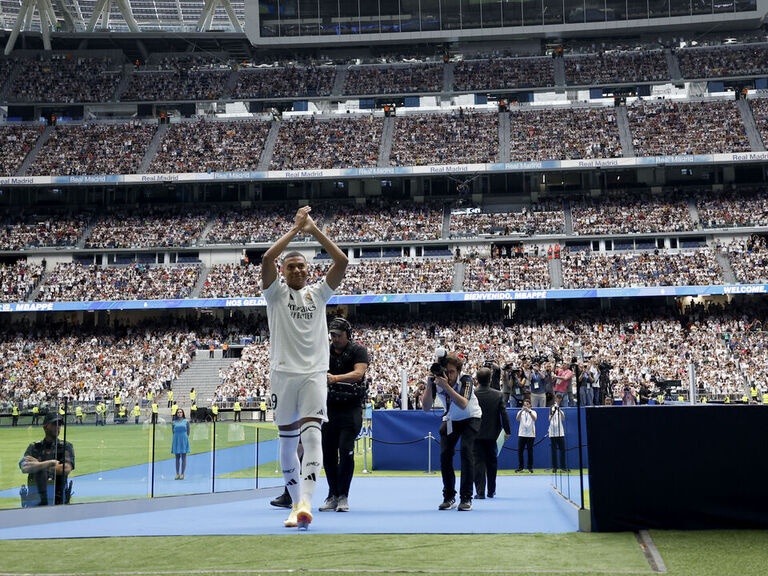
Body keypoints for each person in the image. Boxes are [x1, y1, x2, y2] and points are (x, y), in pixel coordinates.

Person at [261, 205, 348, 530]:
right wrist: (295, 230)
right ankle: (296, 503)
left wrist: (314, 231)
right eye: (291, 267)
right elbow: (267, 259)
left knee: (312, 438)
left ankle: (306, 503)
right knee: (286, 442)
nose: (297, 270)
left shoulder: (318, 294)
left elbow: (341, 262)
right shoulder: (275, 294)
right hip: (282, 375)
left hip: (314, 374)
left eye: (301, 266)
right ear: (283, 272)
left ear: (308, 270)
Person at [319, 317, 369, 513]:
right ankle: (332, 494)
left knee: (345, 450)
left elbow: (358, 374)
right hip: (329, 408)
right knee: (328, 453)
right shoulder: (325, 350)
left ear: (348, 334)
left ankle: (343, 495)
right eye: (332, 335)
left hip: (351, 408)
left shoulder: (358, 350)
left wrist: (335, 378)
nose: (335, 338)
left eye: (338, 335)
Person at [422, 351, 482, 512]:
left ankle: (466, 498)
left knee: (466, 452)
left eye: (452, 372)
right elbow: (426, 407)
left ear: (458, 371)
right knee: (445, 456)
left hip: (471, 417)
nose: (449, 375)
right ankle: (449, 497)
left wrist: (446, 386)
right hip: (451, 420)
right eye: (446, 372)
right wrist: (430, 384)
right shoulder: (438, 382)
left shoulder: (465, 380)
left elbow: (463, 403)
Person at [19, 412, 75, 506]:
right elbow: (24, 467)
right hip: (36, 500)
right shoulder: (35, 447)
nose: (58, 427)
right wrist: (50, 463)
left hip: (58, 499)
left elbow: (65, 469)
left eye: (59, 424)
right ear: (45, 427)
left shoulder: (65, 446)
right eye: (54, 424)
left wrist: (37, 464)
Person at [473, 367, 511, 500]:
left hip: (475, 433)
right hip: (492, 434)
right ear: (490, 380)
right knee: (492, 462)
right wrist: (507, 431)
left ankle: (480, 491)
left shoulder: (472, 394)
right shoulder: (498, 394)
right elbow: (504, 414)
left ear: (476, 380)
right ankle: (491, 490)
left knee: (478, 463)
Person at [515, 399, 536, 473]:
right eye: (524, 404)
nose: (525, 406)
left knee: (530, 452)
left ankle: (530, 467)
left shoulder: (533, 412)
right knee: (520, 451)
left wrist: (529, 411)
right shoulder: (521, 412)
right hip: (522, 434)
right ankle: (521, 467)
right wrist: (521, 411)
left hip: (531, 435)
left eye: (527, 404)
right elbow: (517, 419)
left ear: (530, 405)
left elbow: (535, 419)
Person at [549, 394, 567, 473]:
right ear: (555, 399)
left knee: (562, 450)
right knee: (554, 451)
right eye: (557, 398)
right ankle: (554, 467)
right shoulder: (551, 408)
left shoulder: (561, 410)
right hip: (553, 433)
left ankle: (563, 467)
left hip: (561, 433)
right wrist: (554, 412)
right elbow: (549, 419)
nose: (559, 400)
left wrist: (559, 410)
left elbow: (563, 418)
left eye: (560, 399)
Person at [171, 408, 190, 480]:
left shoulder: (186, 421)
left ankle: (182, 473)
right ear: (176, 413)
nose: (179, 413)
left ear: (183, 413)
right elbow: (173, 431)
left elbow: (188, 431)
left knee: (184, 457)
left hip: (184, 439)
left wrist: (185, 437)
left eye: (181, 412)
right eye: (178, 412)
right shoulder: (173, 422)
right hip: (176, 439)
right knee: (177, 458)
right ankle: (177, 474)